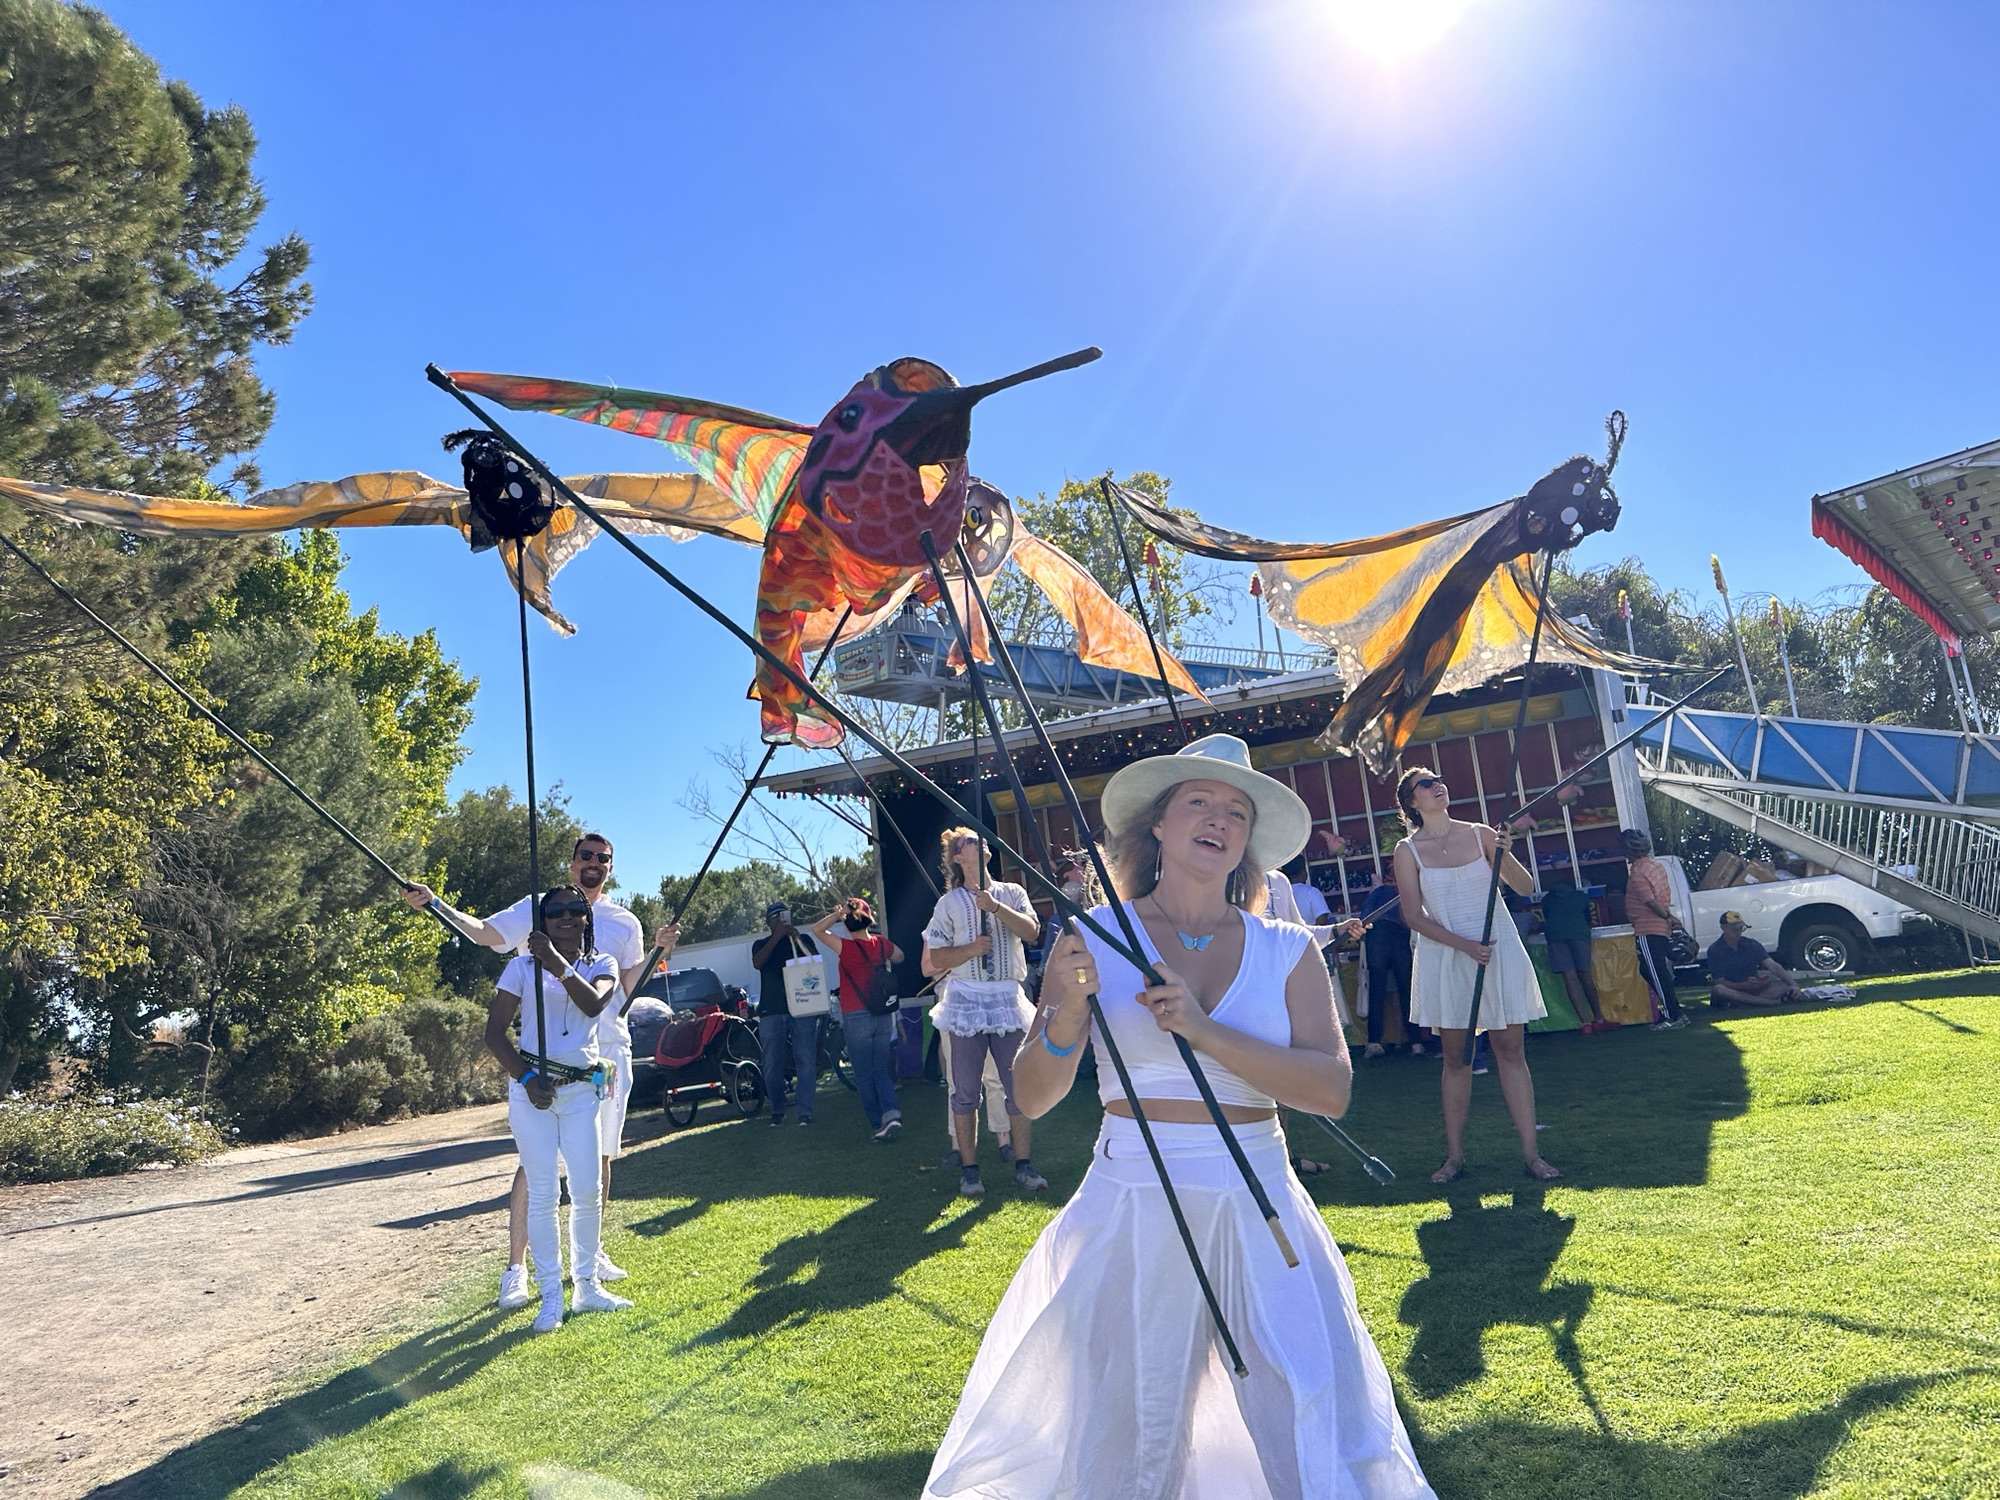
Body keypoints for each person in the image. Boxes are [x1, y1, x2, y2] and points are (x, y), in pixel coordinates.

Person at [924, 733, 1434, 1499]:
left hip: (1262, 1208)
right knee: (1128, 1434)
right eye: (1199, 801)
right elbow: (1031, 1096)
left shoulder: (1288, 948)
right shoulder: (1093, 937)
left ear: (1247, 840)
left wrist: (1204, 1030)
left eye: (1236, 810)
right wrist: (1066, 1016)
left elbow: (1330, 1090)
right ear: (1158, 824)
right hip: (1128, 1205)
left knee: (1299, 1419)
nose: (1218, 818)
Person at [403, 831, 650, 1304]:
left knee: (598, 1157)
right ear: (572, 861)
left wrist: (661, 950)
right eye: (585, 856)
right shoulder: (537, 907)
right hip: (543, 1055)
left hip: (606, 1050)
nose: (593, 863)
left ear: (611, 867)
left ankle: (589, 1258)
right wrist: (435, 904)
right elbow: (483, 934)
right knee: (535, 1169)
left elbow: (626, 987)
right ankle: (516, 1267)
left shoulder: (624, 922)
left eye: (602, 858)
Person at [1393, 768, 1560, 1186]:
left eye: (1438, 779)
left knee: (1510, 1049)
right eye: (1426, 784)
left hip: (1498, 950)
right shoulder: (1407, 850)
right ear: (1412, 802)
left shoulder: (1481, 833)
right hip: (1448, 956)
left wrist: (1506, 852)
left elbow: (1525, 887)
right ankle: (1454, 1157)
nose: (1437, 785)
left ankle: (1532, 1154)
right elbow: (1412, 916)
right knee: (1457, 1058)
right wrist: (1464, 945)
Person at [483, 886, 634, 1334]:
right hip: (533, 1093)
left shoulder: (601, 964)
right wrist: (527, 1079)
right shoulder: (519, 968)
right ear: (543, 920)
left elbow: (594, 1004)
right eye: (554, 911)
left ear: (587, 919)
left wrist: (556, 963)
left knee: (586, 1189)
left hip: (581, 1093)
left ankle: (586, 1286)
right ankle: (550, 1294)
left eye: (574, 910)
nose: (565, 916)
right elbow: (494, 1033)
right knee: (544, 1194)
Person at [923, 829, 1047, 1197]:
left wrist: (994, 907)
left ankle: (1024, 1164)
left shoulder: (1013, 892)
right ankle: (969, 1170)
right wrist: (971, 949)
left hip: (1008, 999)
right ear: (958, 857)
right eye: (970, 841)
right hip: (966, 1002)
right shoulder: (948, 903)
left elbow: (1032, 931)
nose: (981, 842)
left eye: (981, 839)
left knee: (1016, 1087)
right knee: (965, 1090)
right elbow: (936, 957)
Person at [809, 897, 906, 1141]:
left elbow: (817, 930)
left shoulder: (845, 947)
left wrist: (837, 914)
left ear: (848, 922)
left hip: (855, 1015)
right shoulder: (880, 944)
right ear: (869, 918)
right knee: (880, 1069)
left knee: (863, 1074)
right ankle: (891, 1113)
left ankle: (877, 1125)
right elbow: (900, 957)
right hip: (882, 1013)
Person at [751, 900, 823, 1126]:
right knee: (772, 1063)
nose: (781, 920)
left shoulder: (803, 939)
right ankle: (778, 1109)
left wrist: (796, 938)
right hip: (771, 1010)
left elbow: (815, 961)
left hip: (803, 1007)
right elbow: (758, 963)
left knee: (806, 1060)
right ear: (768, 922)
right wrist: (777, 937)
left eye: (784, 915)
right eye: (776, 917)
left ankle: (804, 1111)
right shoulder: (761, 944)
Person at [1622, 828, 1690, 1030]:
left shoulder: (1637, 872)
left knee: (1655, 972)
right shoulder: (1655, 866)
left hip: (1647, 926)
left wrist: (1667, 917)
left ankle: (1672, 1015)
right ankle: (1675, 1011)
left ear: (1628, 850)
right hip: (1658, 926)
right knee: (1650, 969)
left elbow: (1649, 901)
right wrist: (1667, 917)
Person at [1361, 869, 1426, 1057]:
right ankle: (1416, 1042)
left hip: (1377, 939)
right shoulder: (1403, 891)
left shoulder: (1376, 892)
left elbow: (1364, 919)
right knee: (1406, 990)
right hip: (1399, 937)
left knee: (1377, 990)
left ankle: (1374, 1042)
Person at [1539, 874, 1610, 1033]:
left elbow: (1547, 917)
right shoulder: (1580, 896)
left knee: (1570, 979)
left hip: (1555, 937)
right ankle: (1599, 1018)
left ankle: (1584, 1023)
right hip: (1579, 935)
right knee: (1585, 976)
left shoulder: (1547, 899)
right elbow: (1588, 918)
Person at [1706, 910, 1807, 1007]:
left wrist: (1793, 985)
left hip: (1753, 989)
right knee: (1718, 989)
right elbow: (1719, 982)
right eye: (1735, 929)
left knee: (1783, 984)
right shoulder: (1715, 950)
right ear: (1723, 928)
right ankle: (1769, 1002)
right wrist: (1744, 985)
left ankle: (1747, 1003)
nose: (1739, 932)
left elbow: (1773, 966)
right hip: (1733, 990)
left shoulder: (1751, 944)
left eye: (1741, 928)